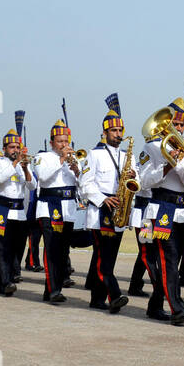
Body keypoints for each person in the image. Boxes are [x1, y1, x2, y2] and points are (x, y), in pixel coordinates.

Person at [136, 79, 184, 326]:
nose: (179, 128)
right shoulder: (152, 147)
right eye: (175, 123)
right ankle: (177, 308)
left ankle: (155, 306)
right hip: (160, 208)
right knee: (168, 259)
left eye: (182, 124)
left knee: (177, 260)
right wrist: (165, 167)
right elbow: (142, 181)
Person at [79, 94, 134, 312]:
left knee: (109, 259)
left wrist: (132, 177)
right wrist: (103, 199)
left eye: (120, 131)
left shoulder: (125, 156)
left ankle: (97, 299)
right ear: (104, 132)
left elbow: (136, 182)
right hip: (101, 210)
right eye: (114, 131)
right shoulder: (94, 154)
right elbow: (85, 184)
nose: (118, 135)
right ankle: (115, 295)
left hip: (119, 210)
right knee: (103, 258)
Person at [35, 118, 81, 303]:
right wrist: (61, 160)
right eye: (60, 141)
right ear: (52, 142)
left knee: (63, 252)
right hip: (49, 207)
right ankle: (54, 290)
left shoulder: (74, 158)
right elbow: (44, 178)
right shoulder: (43, 157)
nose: (64, 144)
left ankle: (53, 289)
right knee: (52, 249)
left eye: (66, 141)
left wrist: (77, 171)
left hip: (68, 209)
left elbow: (80, 185)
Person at [0, 120, 32, 297]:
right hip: (1, 211)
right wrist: (15, 165)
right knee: (2, 249)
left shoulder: (21, 166)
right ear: (5, 148)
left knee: (15, 250)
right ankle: (7, 282)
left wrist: (26, 168)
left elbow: (31, 186)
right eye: (12, 147)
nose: (15, 150)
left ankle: (1, 283)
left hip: (18, 213)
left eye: (17, 146)